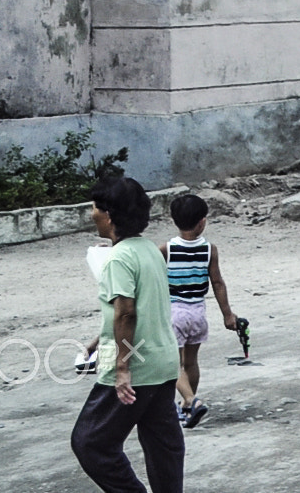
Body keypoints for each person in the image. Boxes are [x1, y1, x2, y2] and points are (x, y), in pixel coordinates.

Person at [72, 175, 184, 493]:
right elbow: (140, 308)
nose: (91, 213)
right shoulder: (149, 250)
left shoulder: (118, 258)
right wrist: (97, 341)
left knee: (90, 442)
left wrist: (122, 368)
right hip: (163, 362)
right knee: (163, 446)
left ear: (108, 214)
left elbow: (127, 312)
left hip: (136, 366)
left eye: (94, 207)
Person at [160, 195, 240, 430]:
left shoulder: (167, 248)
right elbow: (217, 283)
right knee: (191, 363)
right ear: (202, 222)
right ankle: (187, 407)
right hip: (198, 313)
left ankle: (191, 401)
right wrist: (228, 314)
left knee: (173, 365)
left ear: (174, 221)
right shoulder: (209, 249)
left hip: (174, 313)